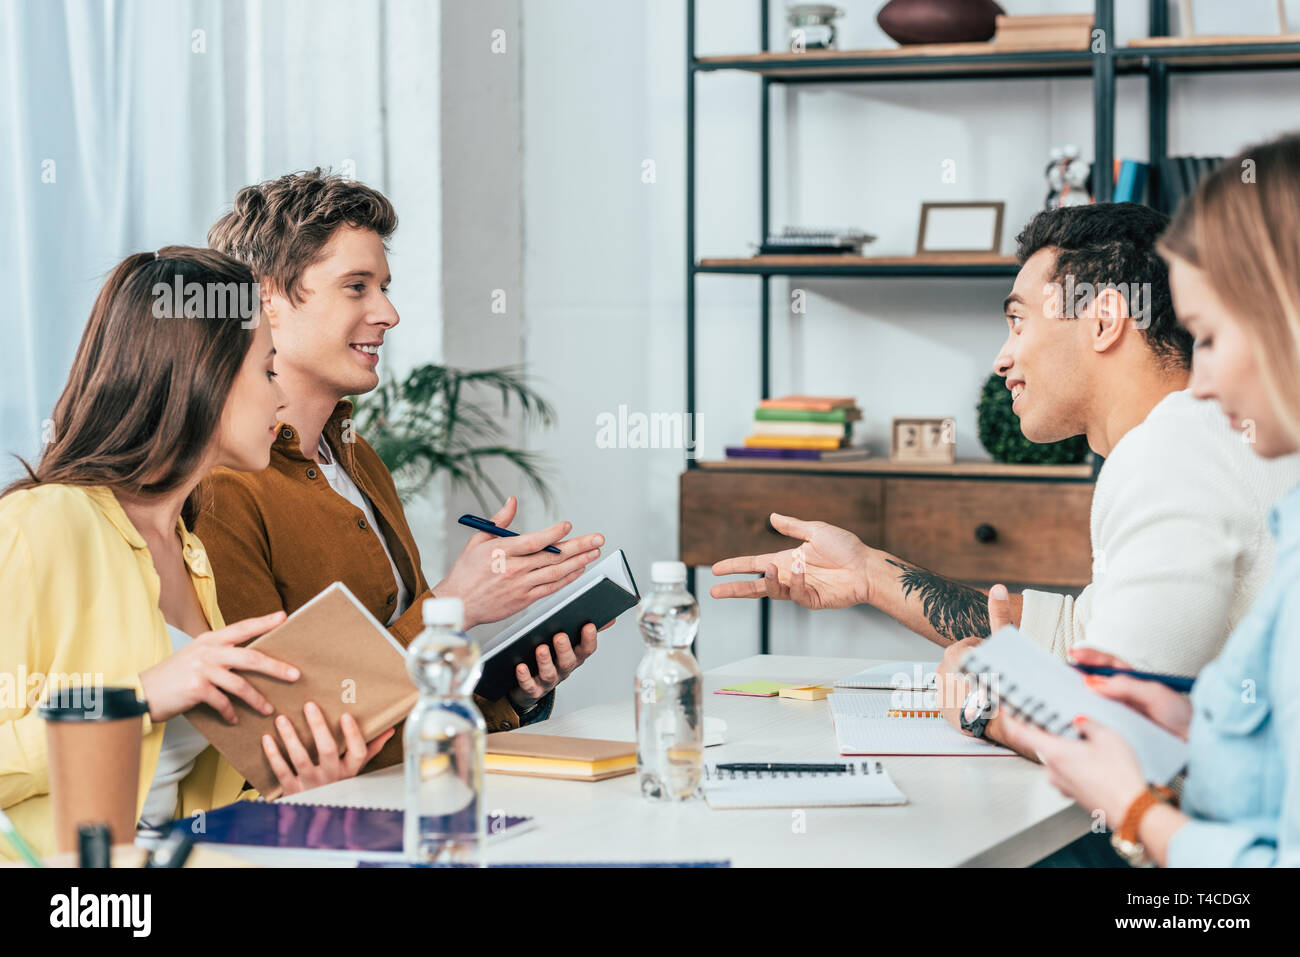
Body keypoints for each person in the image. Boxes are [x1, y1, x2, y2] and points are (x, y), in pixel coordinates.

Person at [710, 202, 1300, 750]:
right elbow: (1082, 639)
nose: (1002, 358)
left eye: (1019, 323)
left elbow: (1118, 736)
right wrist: (869, 572)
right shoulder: (1205, 433)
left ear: (1103, 322)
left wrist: (980, 703)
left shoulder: (1171, 452)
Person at [196, 170, 604, 762]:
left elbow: (407, 704)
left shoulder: (356, 455)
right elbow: (274, 733)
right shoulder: (220, 489)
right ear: (268, 301)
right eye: (356, 287)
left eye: (383, 286)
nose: (388, 312)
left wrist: (510, 694)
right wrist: (452, 608)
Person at [0, 248, 390, 861]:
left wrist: (296, 794)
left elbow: (184, 810)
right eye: (267, 372)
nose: (281, 401)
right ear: (203, 378)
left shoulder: (191, 552)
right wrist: (139, 697)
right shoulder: (44, 524)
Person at [1006, 133, 1300, 867]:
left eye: (1207, 335)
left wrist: (1137, 810)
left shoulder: (1170, 442)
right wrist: (1195, 725)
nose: (1197, 383)